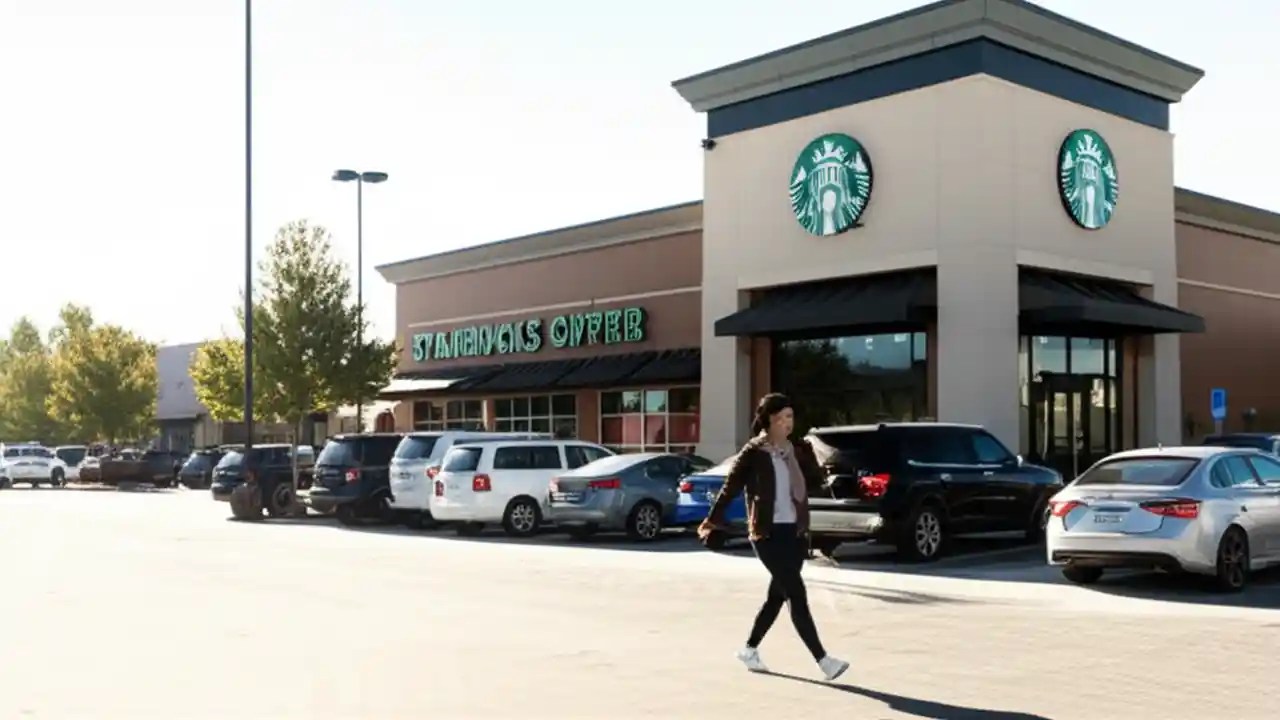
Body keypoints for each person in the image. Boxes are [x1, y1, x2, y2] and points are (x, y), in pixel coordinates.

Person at [699, 393, 849, 682]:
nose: (787, 423)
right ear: (768, 420)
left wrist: (834, 474)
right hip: (766, 533)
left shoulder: (798, 450)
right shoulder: (754, 452)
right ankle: (824, 660)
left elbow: (816, 484)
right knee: (796, 593)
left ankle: (749, 649)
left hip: (794, 532)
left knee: (776, 597)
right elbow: (729, 489)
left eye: (790, 417)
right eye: (781, 418)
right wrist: (711, 522)